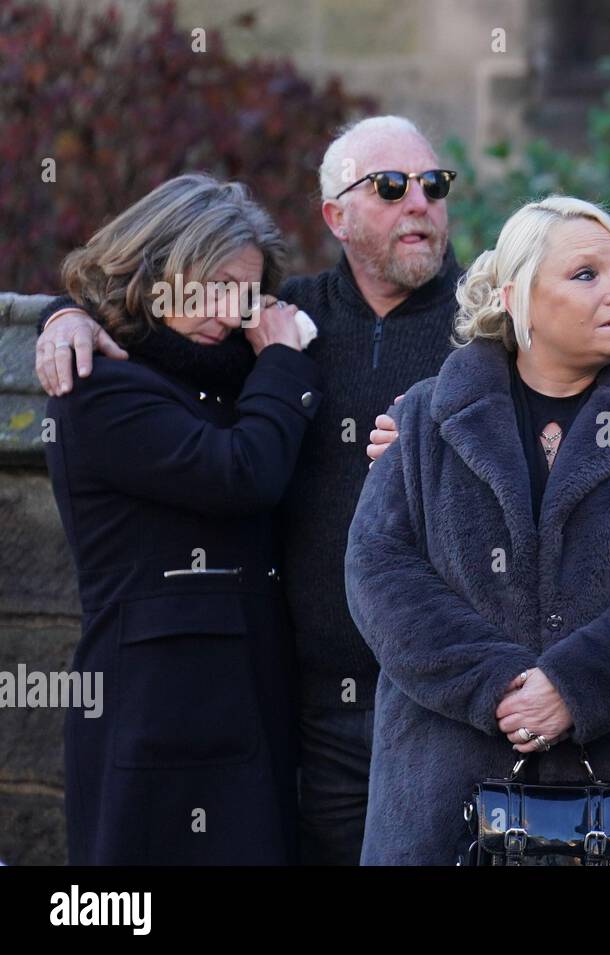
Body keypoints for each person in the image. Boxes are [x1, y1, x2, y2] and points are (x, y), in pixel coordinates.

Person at [33, 116, 465, 865]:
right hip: (308, 707)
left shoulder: (488, 324)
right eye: (392, 187)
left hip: (445, 696)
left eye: (434, 185)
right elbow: (172, 379)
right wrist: (64, 315)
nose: (419, 202)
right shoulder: (285, 330)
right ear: (337, 215)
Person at [344, 196, 610, 865]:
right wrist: (500, 684)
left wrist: (577, 685)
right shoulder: (425, 417)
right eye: (585, 275)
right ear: (517, 296)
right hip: (443, 796)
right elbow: (379, 572)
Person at [44, 174, 319, 864]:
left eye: (247, 295)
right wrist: (283, 360)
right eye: (215, 283)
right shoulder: (99, 384)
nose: (230, 311)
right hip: (152, 716)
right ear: (157, 261)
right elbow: (240, 473)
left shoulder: (229, 376)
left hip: (255, 708)